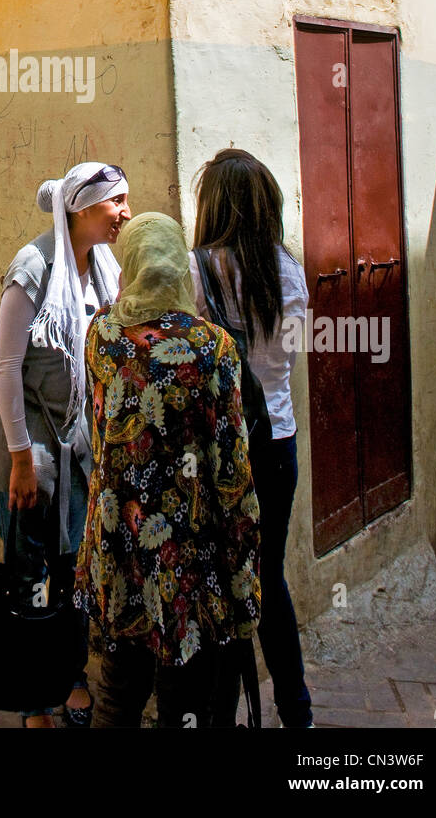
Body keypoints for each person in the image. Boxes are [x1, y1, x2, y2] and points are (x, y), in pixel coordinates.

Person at [75, 211, 261, 729]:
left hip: (119, 542)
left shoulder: (102, 338)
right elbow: (232, 474)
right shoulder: (214, 352)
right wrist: (244, 575)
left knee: (118, 691)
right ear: (181, 268)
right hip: (187, 552)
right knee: (183, 697)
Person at [0, 161, 131, 727]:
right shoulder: (33, 268)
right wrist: (20, 459)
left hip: (73, 447)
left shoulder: (100, 269)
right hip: (28, 450)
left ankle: (66, 676)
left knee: (70, 568)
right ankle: (34, 700)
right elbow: (8, 367)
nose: (124, 213)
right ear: (83, 209)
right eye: (116, 202)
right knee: (31, 571)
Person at [190, 148, 313, 729]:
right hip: (277, 443)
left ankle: (218, 715)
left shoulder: (197, 271)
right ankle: (297, 714)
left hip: (218, 452)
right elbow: (285, 359)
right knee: (269, 580)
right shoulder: (289, 271)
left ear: (214, 206)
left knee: (221, 581)